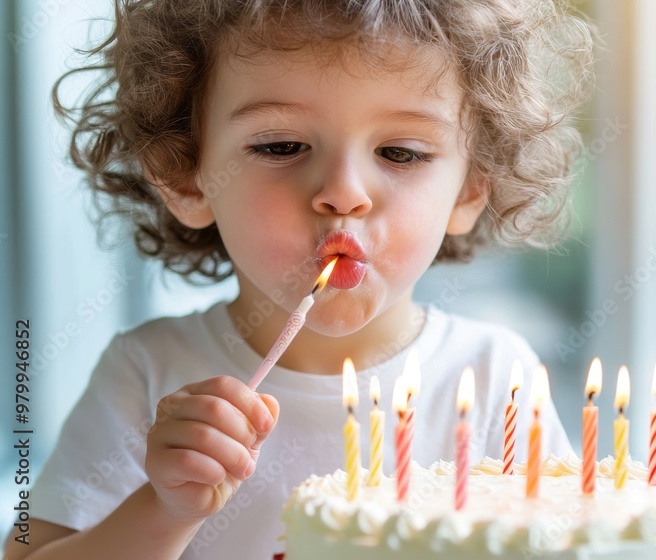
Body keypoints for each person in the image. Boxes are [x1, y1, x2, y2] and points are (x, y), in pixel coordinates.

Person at [4, 0, 595, 558]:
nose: (344, 192)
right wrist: (166, 508)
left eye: (402, 152)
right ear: (185, 175)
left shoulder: (497, 381)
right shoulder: (146, 374)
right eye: (282, 144)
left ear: (471, 187)